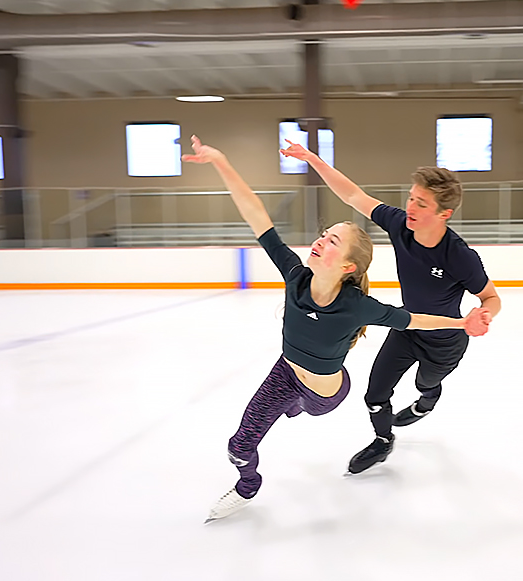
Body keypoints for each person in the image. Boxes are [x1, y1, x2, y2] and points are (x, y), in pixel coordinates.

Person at [181, 136, 490, 521]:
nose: (410, 207)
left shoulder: (367, 301)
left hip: (351, 383)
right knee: (243, 444)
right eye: (323, 236)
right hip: (290, 373)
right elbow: (263, 213)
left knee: (417, 384)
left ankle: (425, 398)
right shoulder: (297, 275)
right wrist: (225, 163)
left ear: (348, 266)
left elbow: (428, 313)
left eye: (332, 242)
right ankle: (256, 482)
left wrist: (467, 320)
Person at [279, 141, 502, 474]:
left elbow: (491, 297)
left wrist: (483, 315)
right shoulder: (400, 225)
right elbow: (353, 196)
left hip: (445, 340)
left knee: (426, 384)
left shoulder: (459, 256)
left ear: (444, 214)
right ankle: (383, 441)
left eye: (421, 203)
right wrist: (312, 159)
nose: (410, 207)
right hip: (408, 328)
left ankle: (428, 399)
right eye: (411, 198)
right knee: (374, 395)